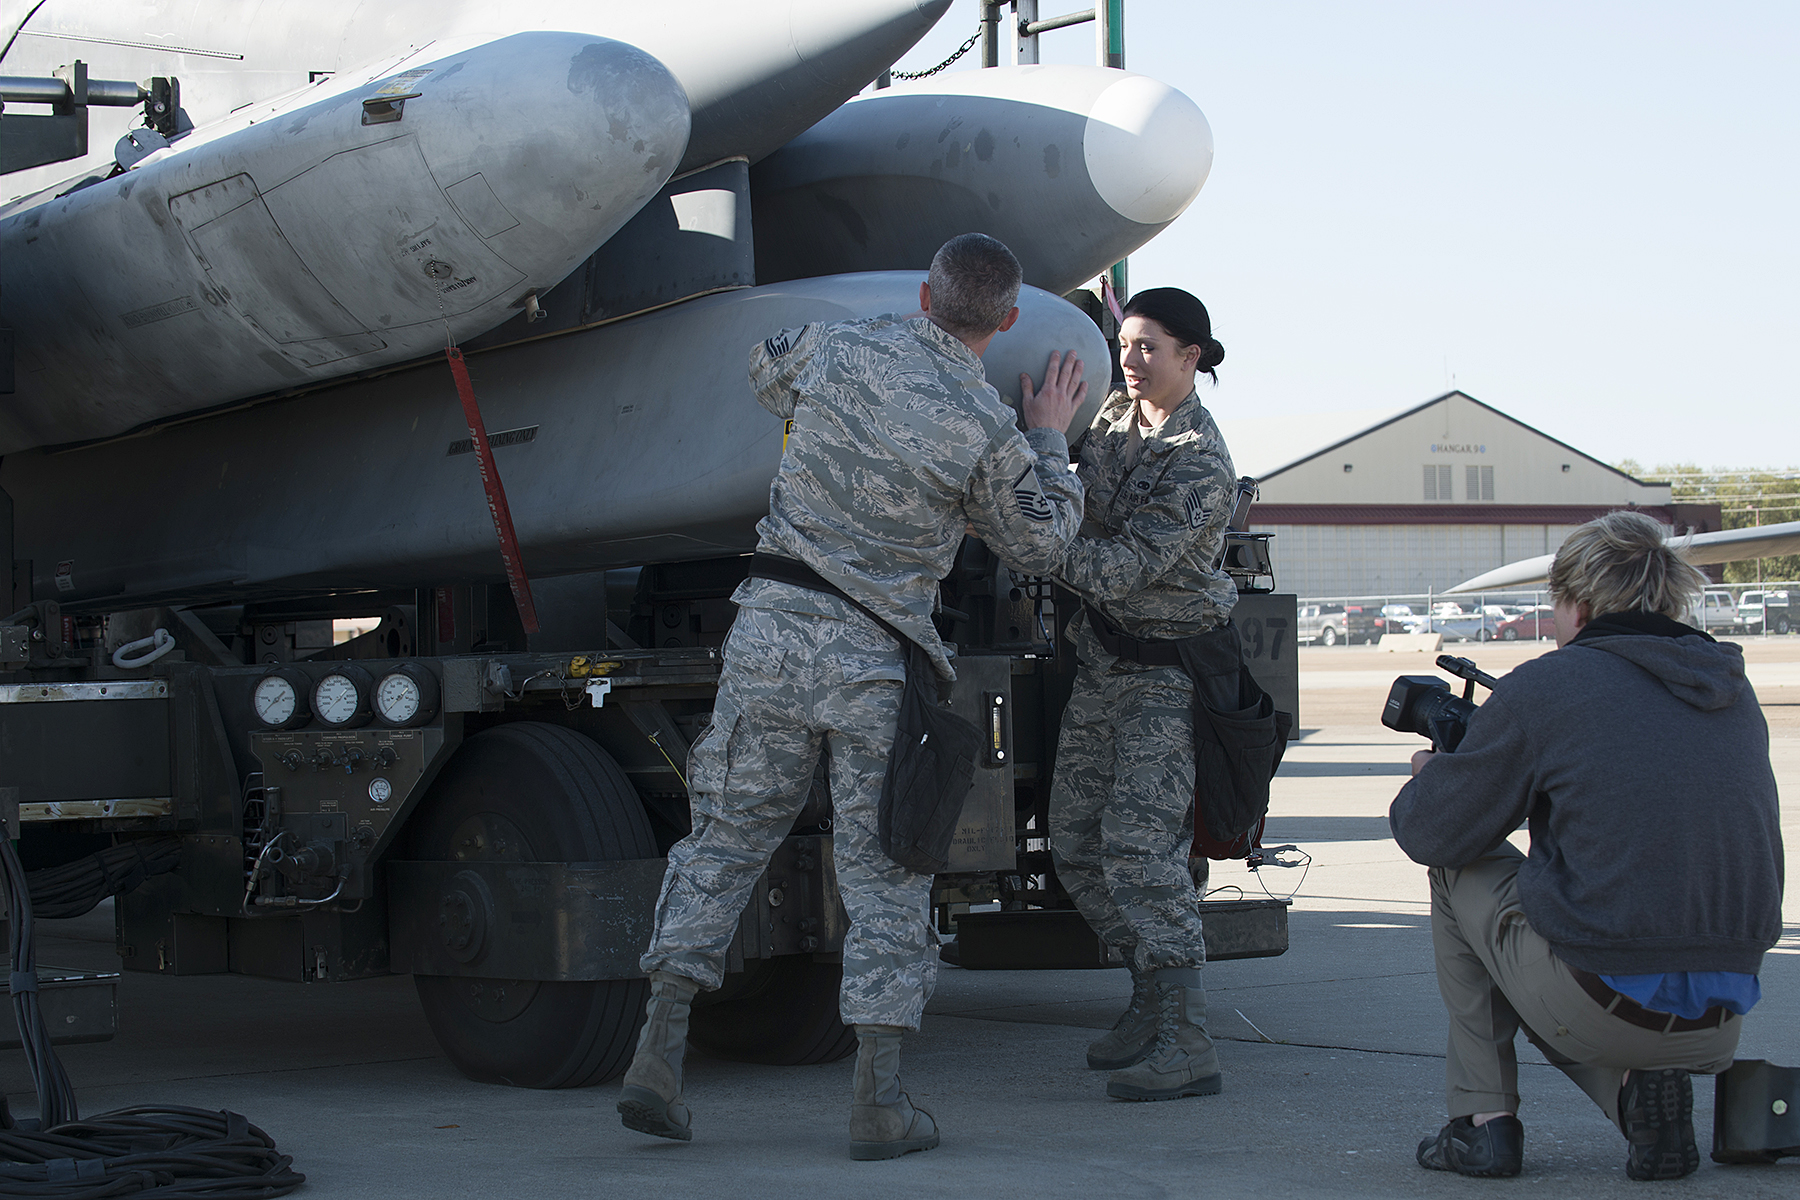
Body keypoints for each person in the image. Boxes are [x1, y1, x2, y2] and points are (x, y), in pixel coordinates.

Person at [617, 233, 1089, 1159]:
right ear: (1007, 320)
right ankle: (879, 1104)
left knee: (723, 843)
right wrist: (1048, 438)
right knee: (886, 875)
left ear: (923, 294)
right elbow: (1042, 544)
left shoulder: (837, 347)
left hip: (772, 636)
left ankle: (657, 1060)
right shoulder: (986, 426)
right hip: (876, 663)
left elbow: (764, 369)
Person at [1390, 510, 1783, 1180]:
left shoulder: (1552, 683)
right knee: (1574, 943)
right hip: (1721, 1020)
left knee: (1461, 874)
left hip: (1601, 1003)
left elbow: (1429, 832)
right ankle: (1634, 1099)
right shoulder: (1730, 686)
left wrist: (1437, 775)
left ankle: (1482, 1122)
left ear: (1576, 603)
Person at [1041, 287, 1238, 1101]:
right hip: (1105, 665)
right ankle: (1151, 997)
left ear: (1192, 357)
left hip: (1166, 672)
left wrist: (1030, 524)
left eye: (1149, 346)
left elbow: (1116, 570)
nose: (1131, 358)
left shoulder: (1200, 459)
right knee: (1075, 844)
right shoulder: (1117, 417)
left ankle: (1188, 1041)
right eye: (1125, 343)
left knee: (1141, 855)